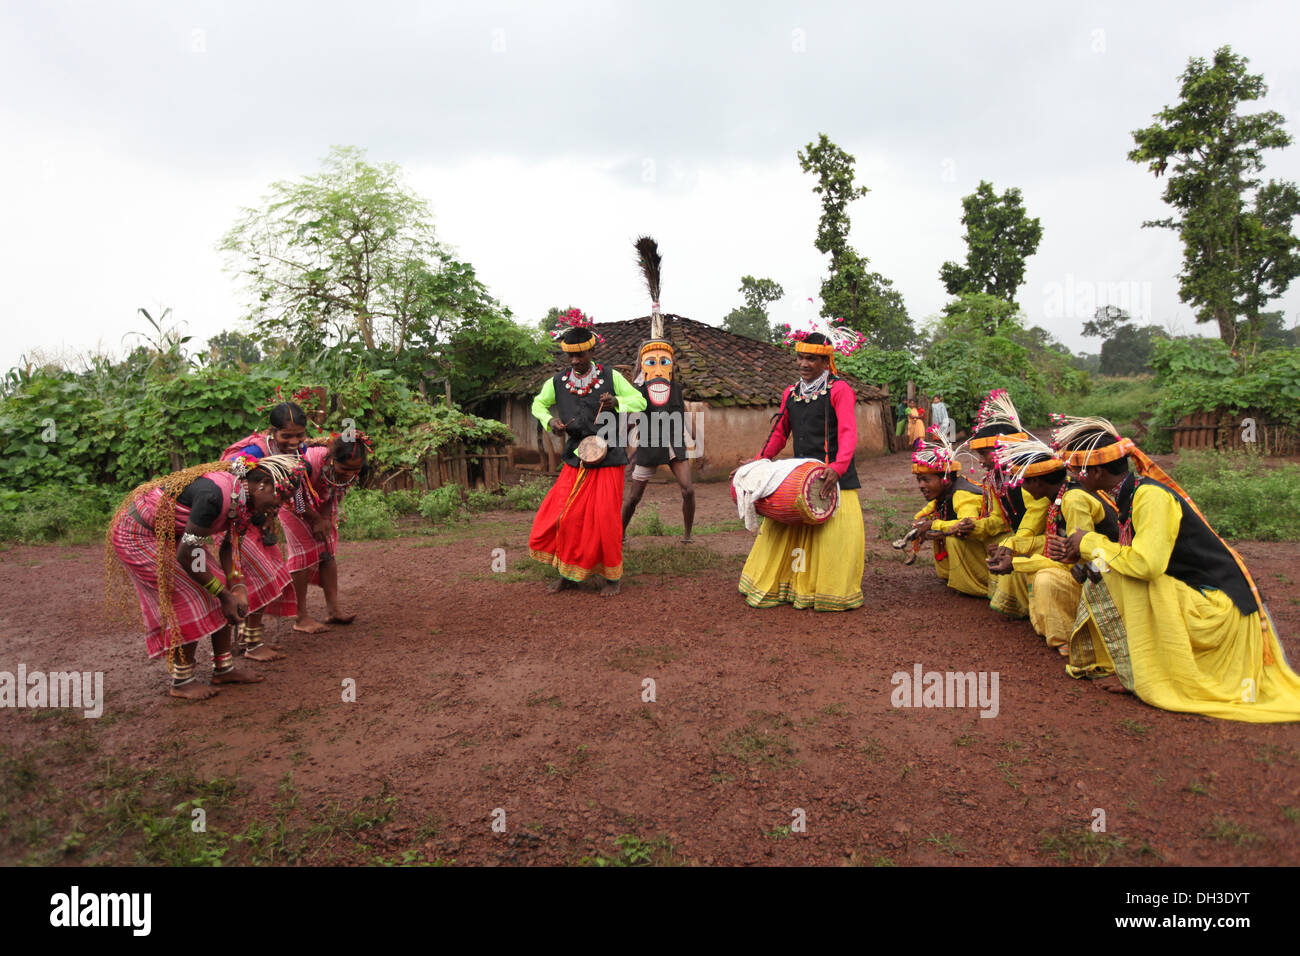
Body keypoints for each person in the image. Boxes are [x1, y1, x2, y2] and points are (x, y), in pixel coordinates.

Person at [1051, 415, 1300, 722]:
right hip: (1197, 597)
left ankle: (1138, 675)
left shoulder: (1150, 496)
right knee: (1106, 570)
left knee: (1122, 575)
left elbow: (1146, 565)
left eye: (1076, 468)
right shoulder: (1129, 496)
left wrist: (1088, 541)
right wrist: (1086, 560)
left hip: (1220, 609)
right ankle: (1133, 669)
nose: (1072, 475)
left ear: (1098, 471)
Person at [106, 454, 306, 700]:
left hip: (175, 535)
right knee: (192, 594)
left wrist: (237, 586)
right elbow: (188, 554)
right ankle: (182, 680)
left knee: (217, 584)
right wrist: (223, 595)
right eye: (281, 497)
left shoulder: (243, 499)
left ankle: (223, 668)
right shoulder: (215, 497)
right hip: (140, 535)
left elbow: (229, 547)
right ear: (263, 484)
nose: (280, 506)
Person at [737, 329, 866, 611]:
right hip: (799, 479)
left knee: (831, 542)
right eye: (800, 358)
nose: (803, 364)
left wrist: (838, 468)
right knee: (786, 535)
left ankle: (825, 592)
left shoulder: (840, 390)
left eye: (810, 359)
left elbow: (848, 433)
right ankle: (792, 586)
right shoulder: (791, 393)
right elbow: (780, 433)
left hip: (834, 479)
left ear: (825, 362)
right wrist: (760, 460)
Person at [529, 321, 647, 596]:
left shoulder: (611, 376)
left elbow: (640, 401)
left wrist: (618, 402)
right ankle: (569, 573)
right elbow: (538, 404)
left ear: (592, 351)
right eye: (570, 356)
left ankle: (612, 577)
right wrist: (550, 421)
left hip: (610, 456)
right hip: (576, 457)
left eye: (580, 355)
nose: (575, 360)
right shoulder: (557, 382)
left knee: (605, 518)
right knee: (566, 515)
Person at [987, 438, 1119, 654]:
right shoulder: (1061, 496)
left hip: (1104, 573)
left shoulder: (1073, 499)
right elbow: (1057, 544)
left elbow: (1080, 558)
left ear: (1038, 482)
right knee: (1027, 559)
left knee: (1045, 577)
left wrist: (1017, 563)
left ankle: (1070, 639)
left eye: (1025, 481)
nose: (1021, 486)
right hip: (1091, 567)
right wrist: (1014, 548)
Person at [221, 401, 310, 659]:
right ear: (273, 432)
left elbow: (296, 488)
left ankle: (249, 637)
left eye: (299, 435)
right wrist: (253, 517)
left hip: (263, 518)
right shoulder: (251, 453)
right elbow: (231, 483)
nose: (294, 441)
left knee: (270, 573)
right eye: (287, 435)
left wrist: (280, 513)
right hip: (236, 519)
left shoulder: (299, 453)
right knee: (257, 575)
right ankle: (250, 643)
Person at [277, 433, 368, 633]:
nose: (349, 473)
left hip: (320, 504)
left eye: (355, 470)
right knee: (303, 553)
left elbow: (336, 491)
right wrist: (316, 519)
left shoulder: (350, 472)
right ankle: (300, 617)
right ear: (332, 459)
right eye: (344, 468)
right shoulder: (307, 463)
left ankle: (333, 610)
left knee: (327, 550)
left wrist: (325, 519)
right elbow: (295, 498)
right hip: (291, 503)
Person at [621, 334, 696, 543]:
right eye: (652, 362)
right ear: (644, 365)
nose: (658, 368)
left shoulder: (676, 390)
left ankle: (688, 536)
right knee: (634, 497)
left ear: (670, 365)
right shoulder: (638, 392)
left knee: (688, 490)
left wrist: (694, 437)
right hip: (649, 446)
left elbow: (684, 412)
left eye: (663, 362)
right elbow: (629, 420)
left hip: (674, 444)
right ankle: (620, 533)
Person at [909, 431, 991, 597]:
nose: (921, 486)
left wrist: (932, 525)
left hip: (991, 553)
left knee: (951, 532)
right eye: (919, 480)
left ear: (945, 479)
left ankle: (979, 585)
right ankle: (954, 576)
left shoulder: (963, 495)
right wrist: (923, 523)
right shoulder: (944, 495)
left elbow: (968, 524)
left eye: (926, 480)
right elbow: (927, 513)